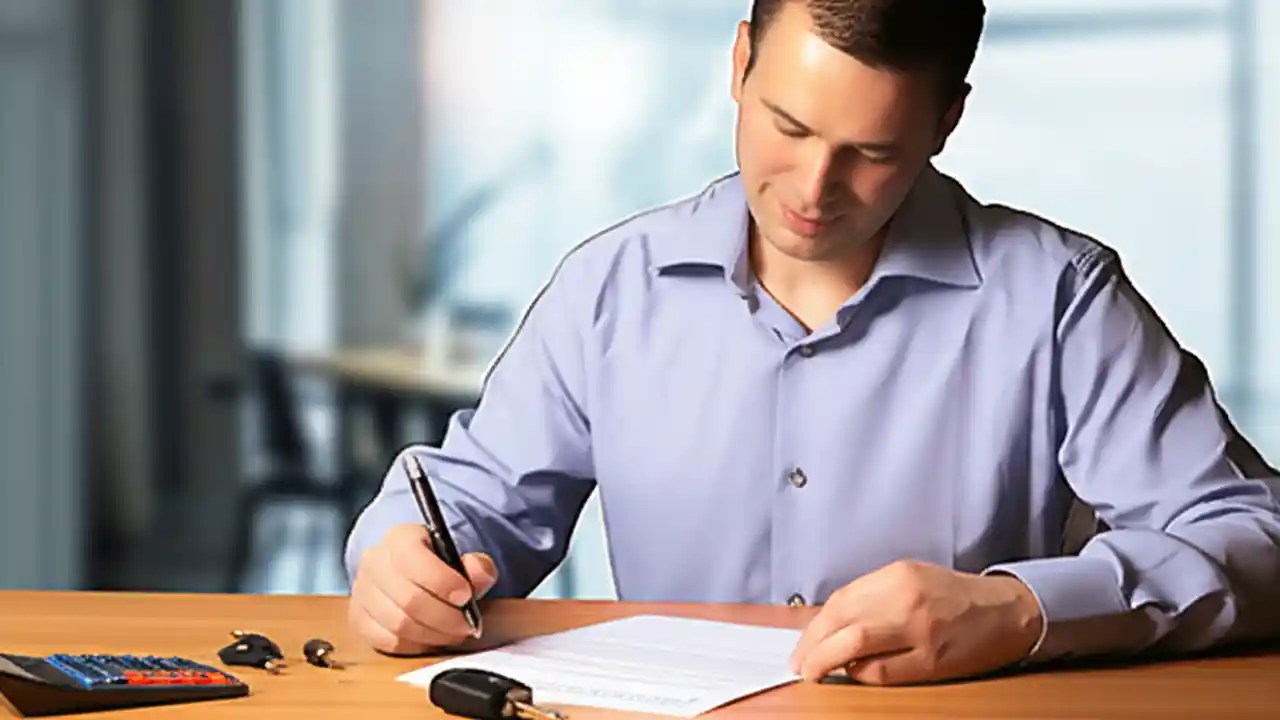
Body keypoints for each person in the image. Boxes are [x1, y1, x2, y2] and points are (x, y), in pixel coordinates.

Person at [344, 0, 1280, 685]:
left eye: (872, 153)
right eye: (788, 126)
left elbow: (1256, 539)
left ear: (946, 122)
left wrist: (1021, 610)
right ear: (741, 61)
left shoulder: (1060, 299)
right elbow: (465, 506)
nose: (813, 188)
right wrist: (402, 562)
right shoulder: (610, 290)